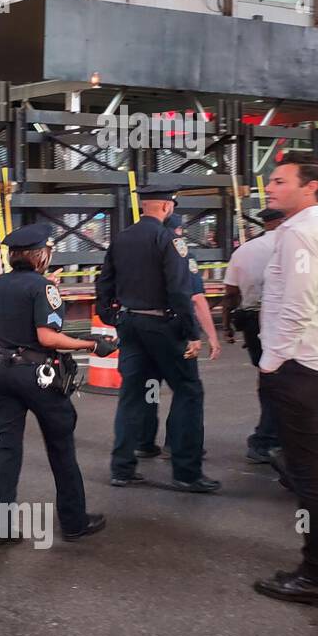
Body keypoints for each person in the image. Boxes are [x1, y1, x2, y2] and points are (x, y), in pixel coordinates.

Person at [253, 153, 318, 609]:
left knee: (310, 477)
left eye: (279, 181)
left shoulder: (299, 235)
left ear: (309, 186)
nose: (269, 188)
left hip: (299, 367)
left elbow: (296, 305)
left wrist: (272, 362)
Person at [0, 224, 109, 546]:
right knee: (61, 448)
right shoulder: (43, 287)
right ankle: (73, 522)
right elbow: (47, 336)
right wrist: (90, 345)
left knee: (7, 447)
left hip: (1, 370)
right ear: (41, 255)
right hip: (36, 374)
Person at [96, 187, 218, 493]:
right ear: (166, 206)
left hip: (130, 323)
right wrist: (191, 333)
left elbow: (104, 283)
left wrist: (112, 316)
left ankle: (122, 469)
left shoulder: (121, 238)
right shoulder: (169, 240)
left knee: (132, 395)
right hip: (161, 324)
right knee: (189, 390)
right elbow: (179, 290)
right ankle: (187, 472)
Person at [134, 213, 221, 459]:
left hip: (142, 331)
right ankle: (179, 443)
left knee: (150, 386)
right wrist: (210, 336)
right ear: (179, 231)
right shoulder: (181, 254)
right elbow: (195, 299)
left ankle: (144, 440)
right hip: (173, 331)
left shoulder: (139, 254)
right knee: (185, 389)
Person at [223, 209, 286, 464]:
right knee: (287, 382)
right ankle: (269, 439)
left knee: (268, 378)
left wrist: (227, 327)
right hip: (282, 318)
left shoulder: (245, 250)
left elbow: (230, 294)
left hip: (251, 320)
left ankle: (269, 436)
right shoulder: (291, 244)